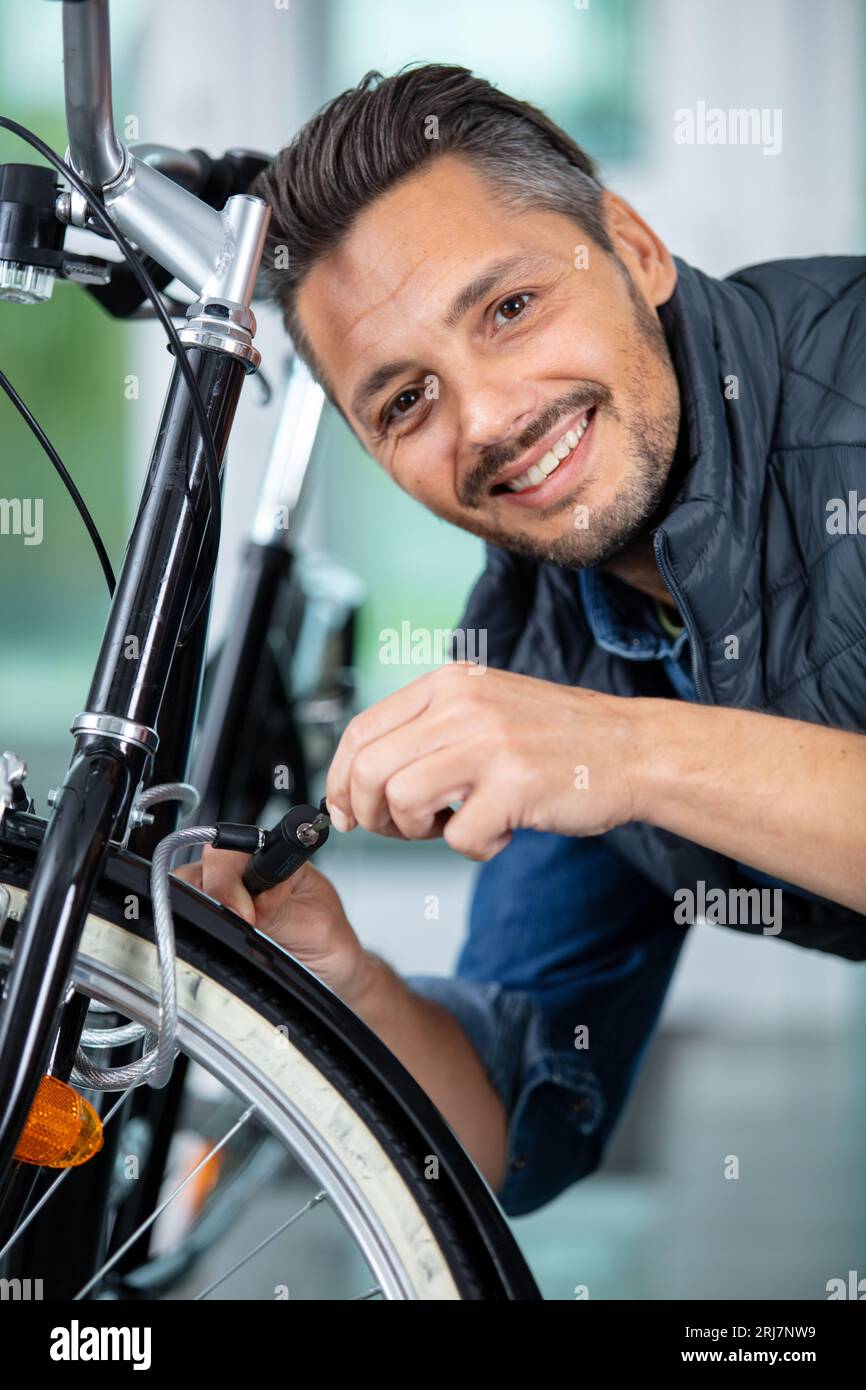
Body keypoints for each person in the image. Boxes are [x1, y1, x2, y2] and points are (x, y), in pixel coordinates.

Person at [174, 65, 866, 1218]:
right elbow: (512, 1137)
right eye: (404, 401)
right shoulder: (536, 651)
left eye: (508, 309)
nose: (488, 418)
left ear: (633, 248)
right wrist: (339, 981)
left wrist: (625, 752)